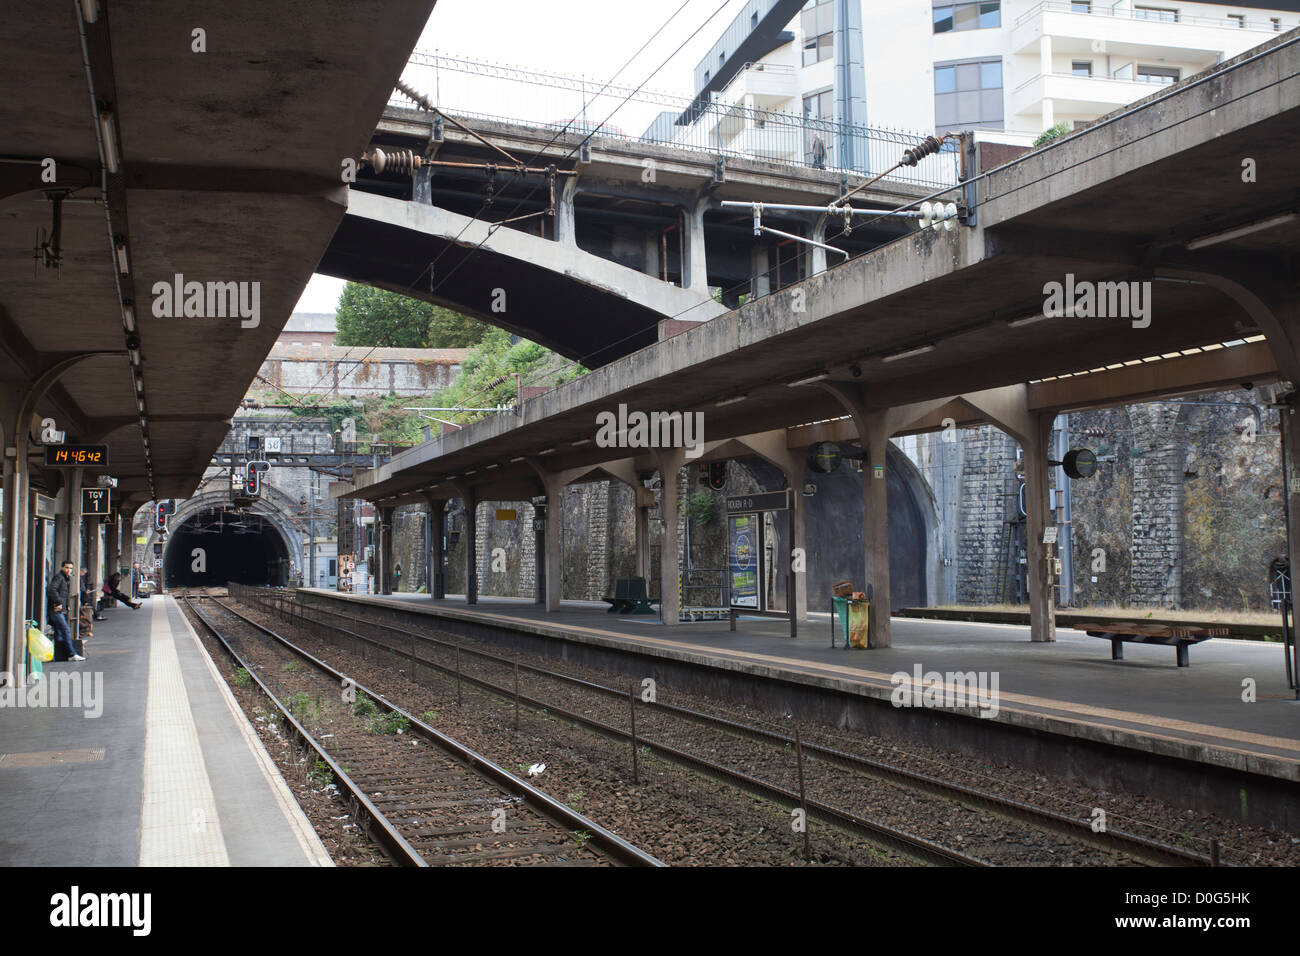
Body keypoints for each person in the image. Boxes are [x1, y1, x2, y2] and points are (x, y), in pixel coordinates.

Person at [48, 561, 85, 662]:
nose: (69, 570)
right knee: (65, 629)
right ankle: (71, 654)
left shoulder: (65, 578)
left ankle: (59, 655)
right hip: (56, 609)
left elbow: (63, 593)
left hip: (60, 609)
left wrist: (66, 605)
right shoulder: (59, 577)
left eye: (71, 568)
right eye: (67, 568)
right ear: (62, 567)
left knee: (59, 633)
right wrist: (59, 602)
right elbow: (52, 589)